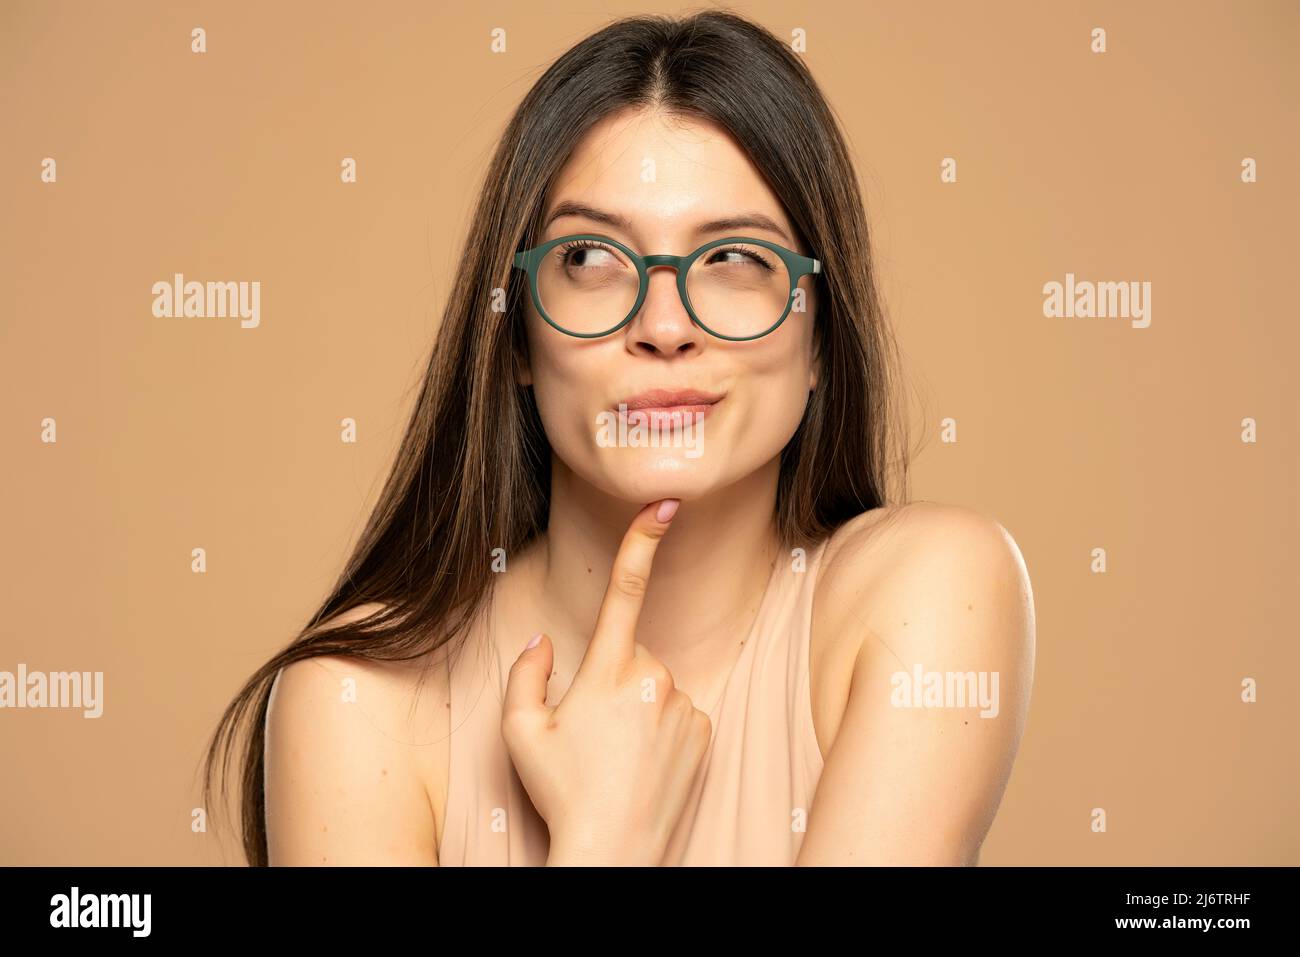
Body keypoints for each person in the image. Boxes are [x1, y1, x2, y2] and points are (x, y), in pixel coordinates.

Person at [204, 9, 1035, 867]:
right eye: (593, 258)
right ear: (518, 334)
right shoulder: (353, 704)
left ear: (819, 336)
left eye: (737, 258)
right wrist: (604, 839)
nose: (664, 324)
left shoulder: (928, 595)